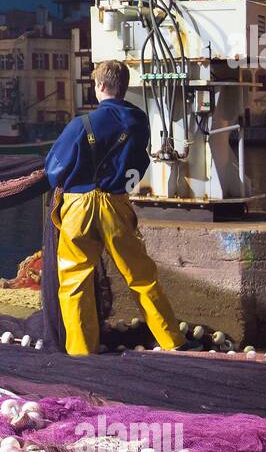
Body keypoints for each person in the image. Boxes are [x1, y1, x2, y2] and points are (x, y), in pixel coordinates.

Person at [44, 60, 189, 355]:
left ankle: (82, 351)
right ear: (123, 87)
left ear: (99, 86)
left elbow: (54, 170)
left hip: (77, 207)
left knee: (75, 279)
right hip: (116, 204)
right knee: (141, 276)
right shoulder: (138, 122)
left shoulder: (80, 125)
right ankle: (172, 341)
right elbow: (141, 162)